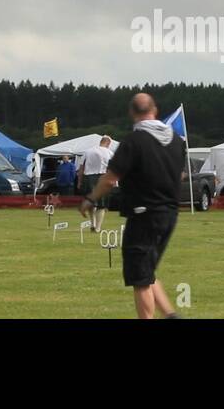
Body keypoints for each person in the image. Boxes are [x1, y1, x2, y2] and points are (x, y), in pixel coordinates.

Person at [79, 94, 185, 319]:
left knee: (140, 279)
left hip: (143, 213)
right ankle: (171, 315)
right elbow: (181, 175)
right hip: (170, 213)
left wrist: (90, 199)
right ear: (154, 110)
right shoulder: (177, 140)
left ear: (131, 113)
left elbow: (109, 179)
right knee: (147, 270)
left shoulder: (134, 141)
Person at [80, 136, 114, 231]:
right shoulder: (110, 152)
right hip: (103, 177)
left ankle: (93, 223)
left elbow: (81, 168)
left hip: (88, 178)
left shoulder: (88, 151)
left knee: (91, 202)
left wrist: (79, 181)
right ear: (108, 143)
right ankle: (98, 228)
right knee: (101, 205)